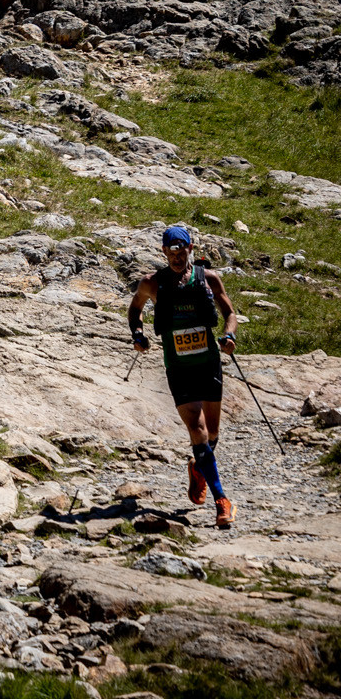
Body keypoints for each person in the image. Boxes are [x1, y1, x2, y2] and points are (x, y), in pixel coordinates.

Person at [129, 225, 241, 527]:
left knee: (212, 433)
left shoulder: (209, 278)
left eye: (182, 252)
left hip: (208, 363)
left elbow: (230, 313)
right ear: (164, 252)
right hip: (177, 367)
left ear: (190, 248)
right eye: (172, 253)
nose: (177, 258)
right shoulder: (152, 283)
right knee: (197, 428)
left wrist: (229, 335)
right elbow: (135, 309)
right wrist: (137, 333)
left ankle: (198, 466)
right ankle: (222, 500)